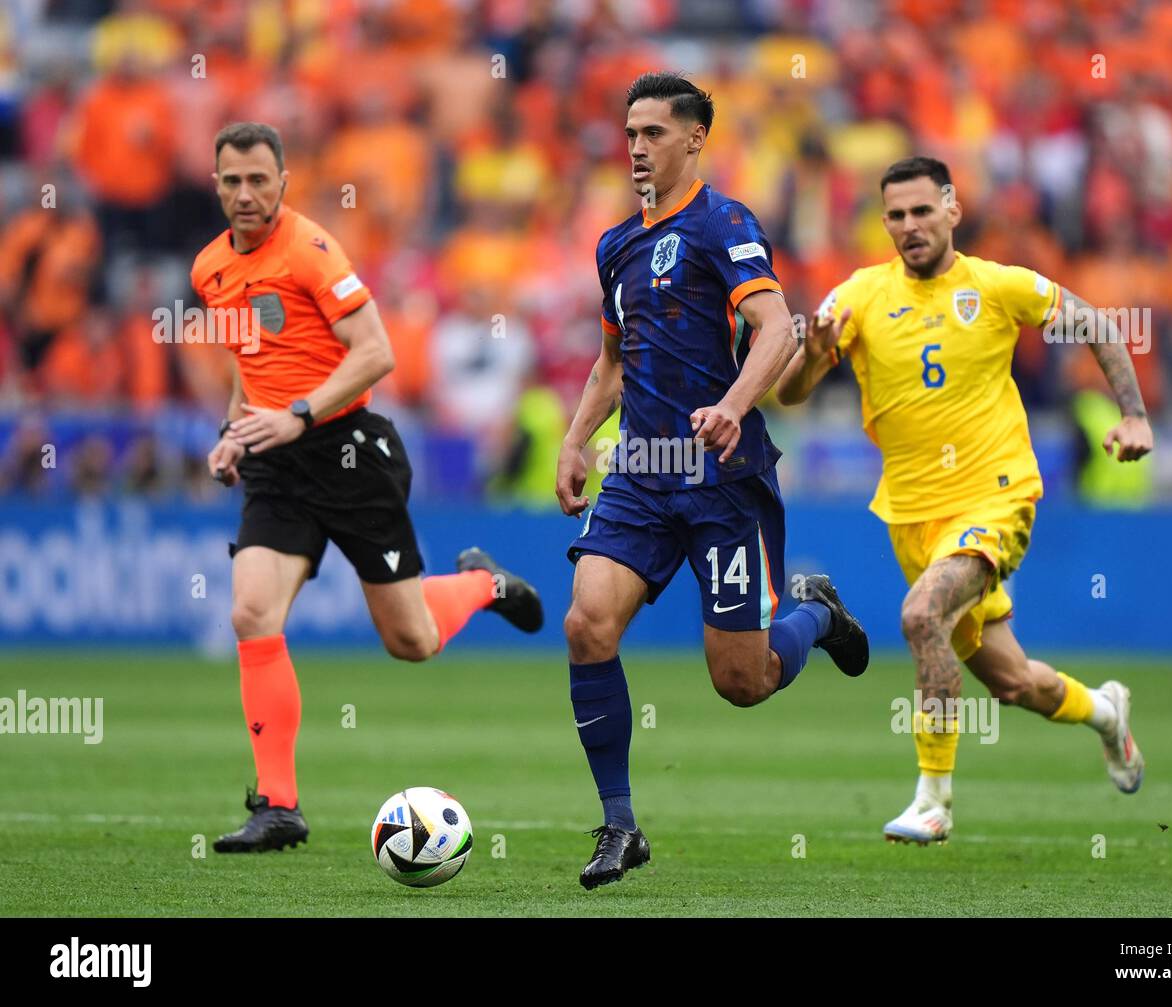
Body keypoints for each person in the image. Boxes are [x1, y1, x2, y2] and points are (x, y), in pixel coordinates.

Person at [778, 156, 1152, 844]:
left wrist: (1132, 413)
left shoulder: (998, 285)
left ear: (952, 208)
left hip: (996, 495)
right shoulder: (858, 296)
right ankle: (1106, 710)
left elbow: (1096, 324)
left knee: (921, 615)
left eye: (923, 211)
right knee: (1015, 684)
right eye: (896, 215)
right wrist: (809, 357)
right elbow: (789, 396)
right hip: (914, 518)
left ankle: (934, 801)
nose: (910, 226)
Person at [555, 74, 870, 889]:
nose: (635, 146)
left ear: (695, 140)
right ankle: (619, 824)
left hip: (722, 477)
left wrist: (733, 404)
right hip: (641, 474)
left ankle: (816, 616)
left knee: (743, 680)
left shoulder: (724, 223)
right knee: (588, 624)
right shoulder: (615, 244)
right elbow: (612, 363)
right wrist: (575, 440)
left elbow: (778, 330)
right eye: (630, 131)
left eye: (654, 132)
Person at [193, 122, 542, 853]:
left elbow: (376, 352)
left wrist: (298, 414)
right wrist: (235, 428)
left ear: (284, 182)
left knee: (410, 639)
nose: (246, 193)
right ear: (217, 184)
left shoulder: (312, 250)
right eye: (233, 180)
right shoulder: (210, 269)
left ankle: (481, 583)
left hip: (349, 451)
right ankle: (278, 805)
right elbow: (245, 356)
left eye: (260, 179)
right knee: (253, 611)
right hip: (276, 462)